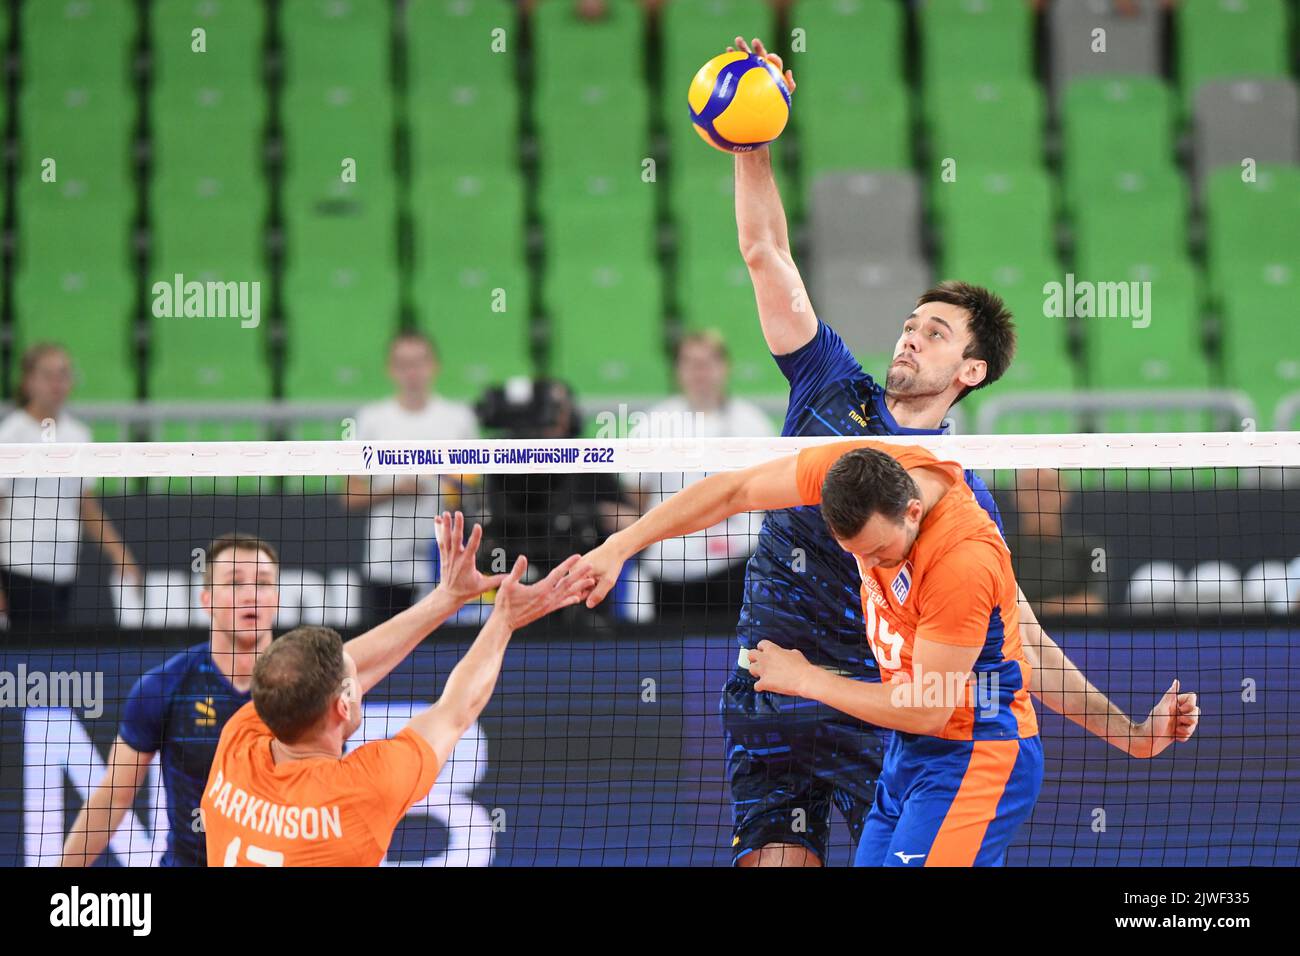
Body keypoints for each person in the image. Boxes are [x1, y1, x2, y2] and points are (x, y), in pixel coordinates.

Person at [633, 34, 1204, 867]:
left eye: (932, 333)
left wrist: (1128, 735)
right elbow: (767, 256)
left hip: (884, 711)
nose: (908, 338)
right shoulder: (830, 387)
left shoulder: (956, 500)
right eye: (908, 323)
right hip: (774, 688)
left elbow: (1024, 642)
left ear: (969, 371)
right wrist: (751, 149)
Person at [578, 439, 1200, 865]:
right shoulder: (856, 472)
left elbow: (929, 706)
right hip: (910, 758)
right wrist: (620, 545)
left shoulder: (960, 559)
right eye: (856, 554)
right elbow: (735, 490)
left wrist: (805, 678)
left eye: (879, 553)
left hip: (975, 752)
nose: (869, 566)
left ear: (911, 511)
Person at [201, 516, 592, 866]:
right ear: (342, 705)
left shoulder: (240, 740)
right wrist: (505, 620)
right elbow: (456, 711)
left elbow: (325, 672)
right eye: (353, 682)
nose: (360, 676)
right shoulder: (363, 788)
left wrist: (446, 598)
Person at [626, 330, 775, 622]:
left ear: (725, 367)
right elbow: (635, 495)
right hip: (671, 568)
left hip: (736, 566)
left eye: (707, 363)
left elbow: (770, 494)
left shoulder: (752, 422)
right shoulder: (654, 424)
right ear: (678, 370)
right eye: (690, 363)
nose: (700, 372)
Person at [0, 342, 139, 630]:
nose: (57, 383)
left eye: (63, 374)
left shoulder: (78, 434)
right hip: (20, 567)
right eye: (48, 375)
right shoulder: (12, 433)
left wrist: (119, 553)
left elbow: (85, 504)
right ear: (28, 381)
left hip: (64, 568)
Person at [344, 331, 479, 624]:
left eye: (418, 362)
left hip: (444, 560)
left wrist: (453, 487)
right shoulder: (372, 419)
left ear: (434, 366)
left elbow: (472, 490)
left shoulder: (459, 419)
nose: (412, 372)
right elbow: (349, 495)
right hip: (386, 560)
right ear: (390, 369)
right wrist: (397, 490)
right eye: (403, 364)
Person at [1007, 468, 1106, 615]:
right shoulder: (1000, 549)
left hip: (1075, 634)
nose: (1039, 497)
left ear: (1064, 494)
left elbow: (1094, 603)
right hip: (1014, 635)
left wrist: (1036, 610)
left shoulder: (1093, 549)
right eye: (1030, 488)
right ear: (1015, 496)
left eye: (1048, 488)